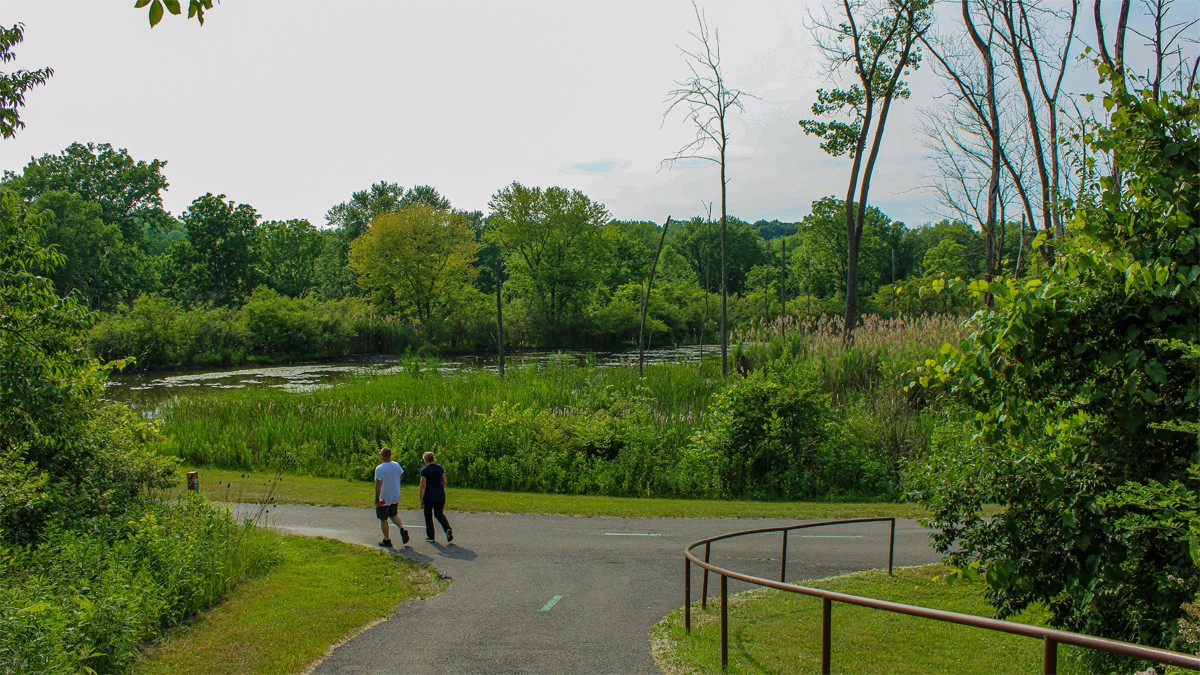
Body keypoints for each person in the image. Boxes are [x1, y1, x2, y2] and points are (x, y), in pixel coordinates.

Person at [374, 447, 410, 547]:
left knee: (383, 518)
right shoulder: (396, 465)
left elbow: (378, 484)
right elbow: (400, 477)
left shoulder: (380, 468)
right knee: (393, 514)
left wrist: (377, 498)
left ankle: (387, 539)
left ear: (382, 456)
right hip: (395, 495)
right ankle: (402, 528)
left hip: (384, 497)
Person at [419, 451, 453, 543]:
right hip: (440, 495)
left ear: (425, 460)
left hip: (429, 496)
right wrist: (440, 489)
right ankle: (447, 528)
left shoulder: (424, 470)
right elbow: (445, 481)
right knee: (439, 514)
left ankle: (431, 536)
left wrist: (421, 499)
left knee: (428, 515)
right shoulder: (440, 468)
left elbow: (423, 486)